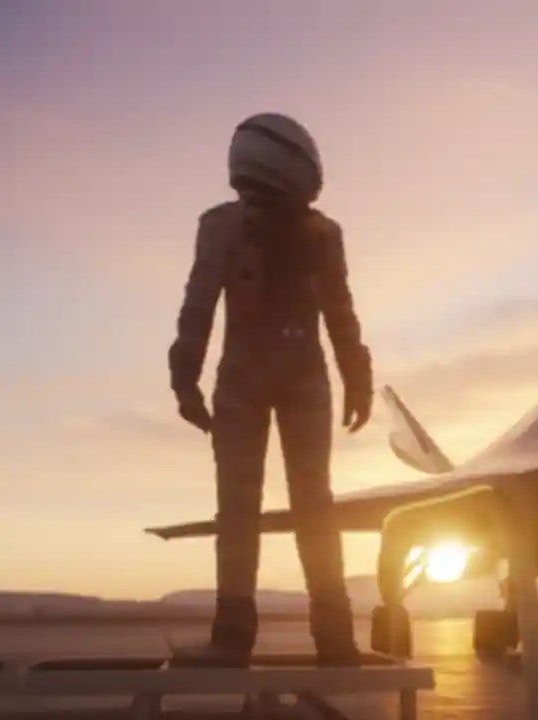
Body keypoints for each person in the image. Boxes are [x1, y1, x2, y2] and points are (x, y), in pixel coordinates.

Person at [168, 113, 373, 666]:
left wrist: (185, 374)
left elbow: (199, 304)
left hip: (256, 378)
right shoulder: (309, 232)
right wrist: (357, 375)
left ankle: (261, 636)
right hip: (288, 378)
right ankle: (327, 638)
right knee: (302, 506)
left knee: (250, 507)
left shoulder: (238, 227)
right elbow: (340, 314)